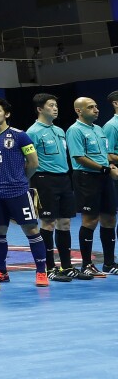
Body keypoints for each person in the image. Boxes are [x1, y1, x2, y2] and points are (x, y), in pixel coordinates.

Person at [0, 97, 48, 286]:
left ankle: (41, 272)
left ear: (7, 114)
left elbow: (34, 162)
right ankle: (1, 272)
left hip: (18, 192)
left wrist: (20, 179)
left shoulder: (20, 136)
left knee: (32, 229)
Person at [28, 93, 77, 281]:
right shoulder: (32, 132)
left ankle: (66, 266)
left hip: (64, 179)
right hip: (44, 180)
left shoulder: (59, 131)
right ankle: (48, 267)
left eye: (56, 105)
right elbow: (29, 160)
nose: (55, 108)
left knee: (64, 223)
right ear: (40, 109)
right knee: (47, 223)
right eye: (50, 105)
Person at [67, 96, 117, 278]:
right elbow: (79, 157)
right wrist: (105, 168)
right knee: (90, 220)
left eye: (96, 106)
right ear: (78, 111)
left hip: (104, 177)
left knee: (110, 218)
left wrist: (109, 167)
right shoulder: (74, 130)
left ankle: (109, 263)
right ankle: (86, 264)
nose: (96, 110)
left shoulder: (99, 129)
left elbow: (105, 155)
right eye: (90, 107)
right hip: (86, 178)